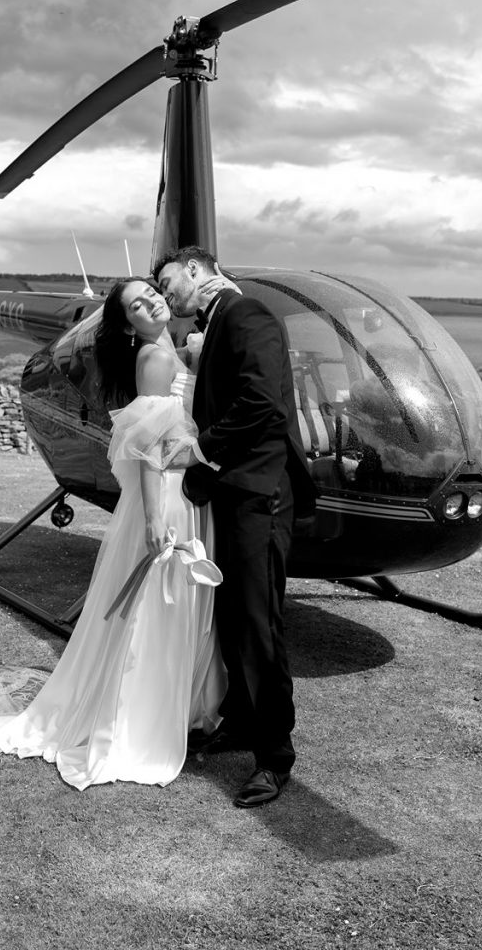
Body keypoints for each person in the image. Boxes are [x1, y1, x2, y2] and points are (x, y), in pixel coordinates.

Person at [0, 277, 228, 791]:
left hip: (181, 488)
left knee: (169, 605)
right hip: (166, 494)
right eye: (139, 305)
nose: (153, 302)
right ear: (127, 325)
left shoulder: (169, 348)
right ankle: (136, 718)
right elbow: (146, 447)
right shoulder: (156, 359)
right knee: (153, 608)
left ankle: (172, 706)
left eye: (153, 293)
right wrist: (151, 516)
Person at [154, 246, 318, 808]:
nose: (166, 291)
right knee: (229, 614)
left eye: (169, 279)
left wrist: (201, 449)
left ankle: (275, 756)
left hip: (261, 495)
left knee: (257, 621)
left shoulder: (247, 316)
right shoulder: (219, 321)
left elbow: (263, 403)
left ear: (197, 269)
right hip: (232, 493)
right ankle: (242, 720)